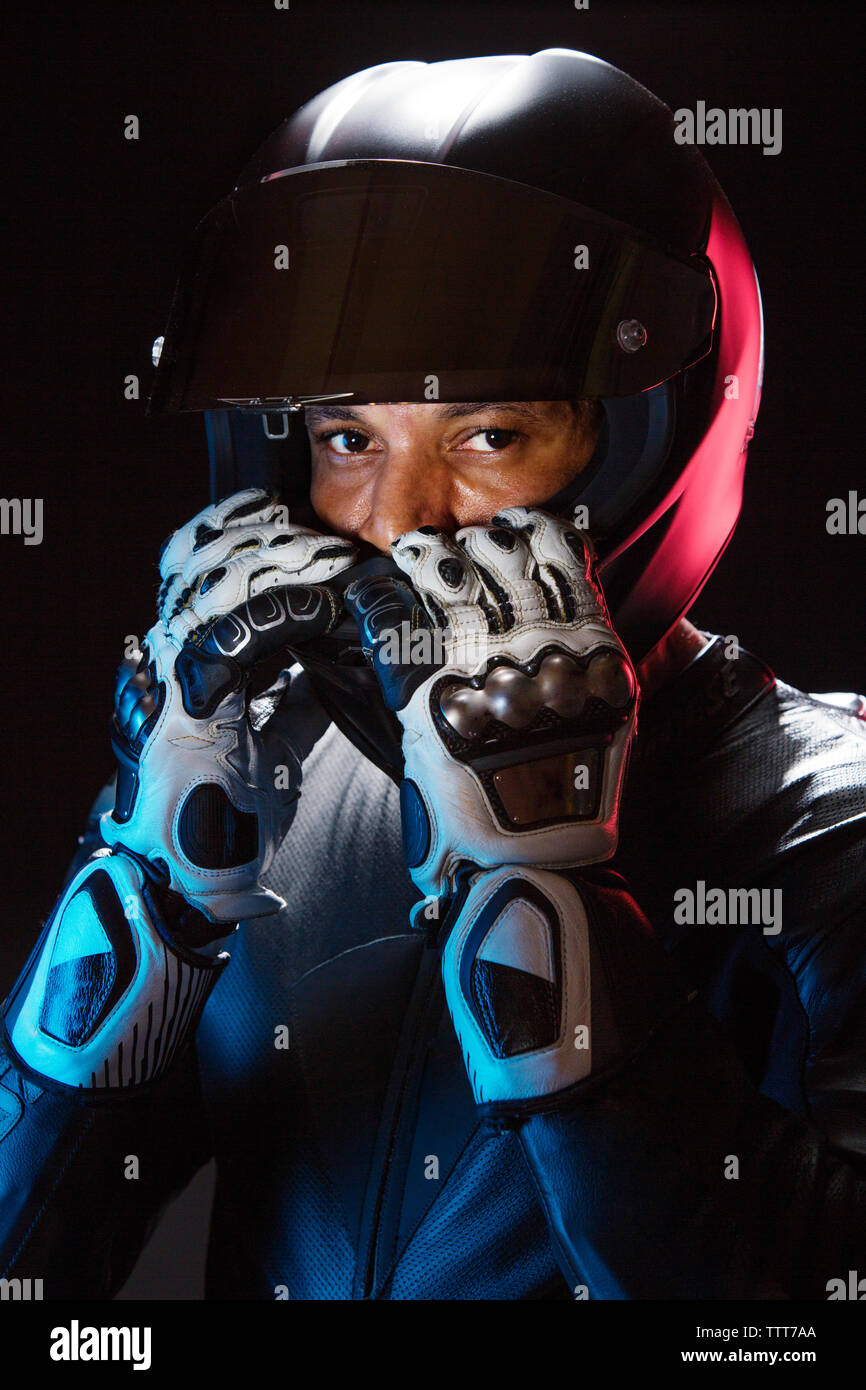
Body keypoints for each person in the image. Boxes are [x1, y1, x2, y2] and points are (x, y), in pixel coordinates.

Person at [1, 49, 863, 1301]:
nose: (400, 522)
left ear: (645, 441)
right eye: (349, 437)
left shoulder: (826, 817)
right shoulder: (255, 795)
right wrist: (141, 906)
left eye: (486, 434)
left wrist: (552, 908)